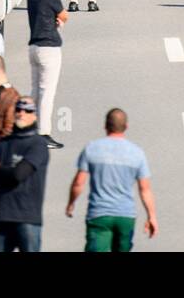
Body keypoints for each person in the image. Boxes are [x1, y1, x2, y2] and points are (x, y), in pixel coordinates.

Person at [66, 108, 157, 253]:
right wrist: (151, 216)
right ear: (126, 127)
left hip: (99, 215)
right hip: (126, 216)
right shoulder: (137, 153)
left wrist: (71, 203)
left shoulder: (92, 148)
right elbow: (145, 189)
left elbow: (79, 182)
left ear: (105, 126)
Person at [0, 96, 49, 253]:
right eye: (18, 109)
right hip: (1, 216)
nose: (22, 113)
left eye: (27, 111)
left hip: (27, 217)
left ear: (34, 115)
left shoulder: (38, 144)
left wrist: (1, 169)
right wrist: (9, 170)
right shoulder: (4, 142)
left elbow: (19, 174)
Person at [27, 0, 68, 149]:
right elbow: (64, 16)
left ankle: (28, 125)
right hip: (49, 47)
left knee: (35, 89)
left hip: (33, 46)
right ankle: (43, 132)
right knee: (47, 92)